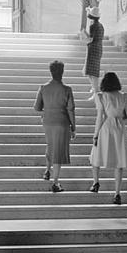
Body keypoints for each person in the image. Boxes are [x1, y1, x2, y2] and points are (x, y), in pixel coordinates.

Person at [33, 60, 76, 193]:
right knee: (58, 152)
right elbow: (71, 109)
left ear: (50, 72)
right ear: (62, 72)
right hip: (62, 123)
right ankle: (55, 182)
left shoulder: (43, 87)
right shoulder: (67, 89)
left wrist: (48, 111)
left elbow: (37, 107)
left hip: (48, 121)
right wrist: (73, 126)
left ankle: (47, 171)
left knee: (50, 145)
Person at [89, 71, 127, 204]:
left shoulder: (100, 96)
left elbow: (100, 117)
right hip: (119, 128)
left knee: (96, 155)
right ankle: (117, 194)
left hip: (106, 127)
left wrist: (95, 135)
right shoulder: (124, 96)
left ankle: (96, 183)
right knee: (119, 161)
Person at [83, 6, 104, 99]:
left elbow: (91, 39)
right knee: (93, 70)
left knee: (91, 71)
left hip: (93, 49)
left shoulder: (93, 25)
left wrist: (84, 35)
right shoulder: (100, 25)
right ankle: (94, 88)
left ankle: (96, 91)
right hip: (98, 48)